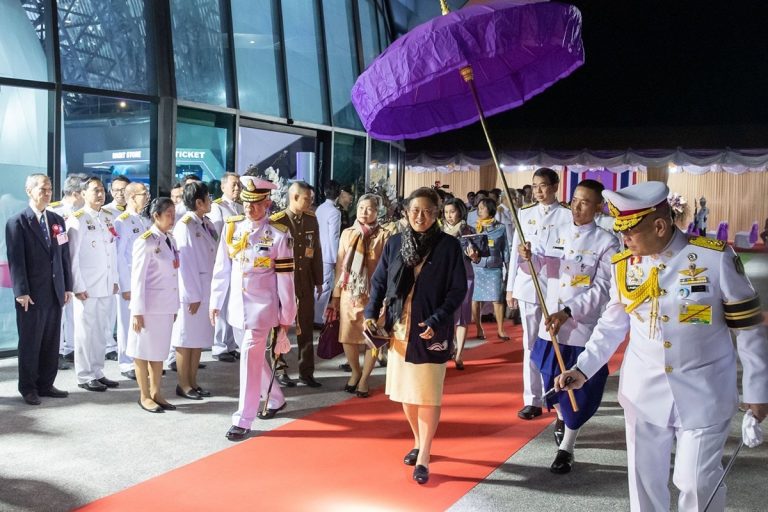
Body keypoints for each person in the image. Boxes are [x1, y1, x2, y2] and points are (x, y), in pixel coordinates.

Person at [556, 181, 768, 511]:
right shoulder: (624, 265)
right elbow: (613, 324)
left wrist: (758, 390)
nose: (622, 240)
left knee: (696, 482)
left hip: (705, 390)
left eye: (629, 232)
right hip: (644, 392)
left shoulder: (714, 258)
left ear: (659, 225)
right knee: (645, 485)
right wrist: (583, 367)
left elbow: (749, 328)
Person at [364, 187, 467, 485]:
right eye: (415, 211)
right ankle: (417, 440)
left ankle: (424, 455)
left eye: (428, 212)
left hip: (431, 330)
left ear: (437, 215)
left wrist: (438, 318)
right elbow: (380, 280)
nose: (420, 217)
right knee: (406, 394)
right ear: (406, 212)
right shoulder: (395, 242)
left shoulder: (448, 247)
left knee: (428, 394)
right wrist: (372, 312)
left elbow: (457, 290)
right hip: (399, 327)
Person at [522, 179, 620, 473]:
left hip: (579, 324)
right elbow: (537, 269)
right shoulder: (556, 231)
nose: (577, 207)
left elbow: (602, 289)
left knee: (577, 385)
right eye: (574, 200)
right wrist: (528, 259)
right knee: (547, 369)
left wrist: (568, 311)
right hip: (549, 322)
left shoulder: (606, 242)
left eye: (585, 202)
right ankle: (562, 415)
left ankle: (567, 447)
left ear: (598, 207)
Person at [210, 175, 297, 441]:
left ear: (267, 203)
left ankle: (244, 418)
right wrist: (215, 302)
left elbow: (286, 281)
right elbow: (222, 268)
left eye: (256, 203)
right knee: (255, 360)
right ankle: (276, 399)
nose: (250, 208)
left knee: (248, 358)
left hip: (261, 309)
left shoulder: (279, 235)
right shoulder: (232, 228)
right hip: (236, 307)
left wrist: (286, 317)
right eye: (247, 203)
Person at [506, 168, 572, 420]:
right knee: (530, 344)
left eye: (543, 186)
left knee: (556, 344)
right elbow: (515, 252)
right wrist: (510, 287)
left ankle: (555, 394)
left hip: (555, 287)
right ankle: (531, 399)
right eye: (535, 186)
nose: (539, 191)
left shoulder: (566, 215)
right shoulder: (524, 213)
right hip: (528, 285)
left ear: (555, 186)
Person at [6, 174, 73, 405]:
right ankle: (29, 387)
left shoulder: (57, 220)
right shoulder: (18, 222)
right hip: (31, 295)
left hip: (55, 291)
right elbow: (16, 260)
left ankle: (46, 383)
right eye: (42, 189)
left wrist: (67, 287)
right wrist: (21, 291)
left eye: (49, 189)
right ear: (29, 191)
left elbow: (64, 255)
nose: (47, 193)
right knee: (31, 342)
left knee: (51, 340)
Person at [326, 194, 390, 398]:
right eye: (361, 207)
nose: (364, 212)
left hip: (375, 294)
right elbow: (339, 265)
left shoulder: (385, 235)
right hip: (350, 293)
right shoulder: (348, 233)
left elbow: (388, 268)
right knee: (348, 336)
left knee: (373, 336)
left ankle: (365, 379)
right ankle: (355, 371)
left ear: (377, 211)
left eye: (369, 208)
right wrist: (335, 296)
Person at [66, 177, 120, 392]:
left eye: (102, 190)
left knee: (101, 331)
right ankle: (85, 374)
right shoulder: (77, 219)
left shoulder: (108, 217)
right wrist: (78, 286)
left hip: (105, 284)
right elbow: (73, 257)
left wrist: (115, 279)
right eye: (95, 190)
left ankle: (97, 371)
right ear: (83, 193)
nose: (100, 194)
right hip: (87, 287)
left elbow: (112, 252)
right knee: (85, 333)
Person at [127, 198, 180, 413]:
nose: (172, 218)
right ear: (156, 216)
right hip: (148, 307)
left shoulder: (170, 239)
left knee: (159, 352)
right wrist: (137, 311)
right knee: (142, 352)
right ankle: (144, 395)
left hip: (165, 306)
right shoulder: (145, 241)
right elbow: (137, 279)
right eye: (168, 214)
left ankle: (157, 392)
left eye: (173, 213)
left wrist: (174, 306)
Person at [269, 181, 323, 388]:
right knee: (279, 327)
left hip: (305, 281)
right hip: (282, 283)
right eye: (307, 199)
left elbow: (315, 250)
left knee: (306, 327)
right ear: (294, 197)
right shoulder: (277, 221)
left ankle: (306, 371)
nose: (310, 202)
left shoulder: (311, 220)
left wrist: (318, 280)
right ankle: (280, 368)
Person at [171, 182, 217, 399]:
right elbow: (185, 264)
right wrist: (192, 295)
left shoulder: (204, 223)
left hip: (205, 289)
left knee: (197, 339)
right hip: (191, 292)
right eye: (208, 197)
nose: (210, 201)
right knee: (185, 339)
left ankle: (193, 381)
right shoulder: (185, 226)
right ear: (199, 202)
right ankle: (183, 384)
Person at [48, 173, 87, 370]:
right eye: (83, 192)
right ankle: (57, 352)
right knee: (60, 313)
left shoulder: (83, 212)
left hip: (75, 266)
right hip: (58, 268)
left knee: (73, 311)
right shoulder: (54, 210)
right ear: (75, 193)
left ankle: (71, 348)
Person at [113, 182, 151, 379]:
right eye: (143, 194)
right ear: (131, 197)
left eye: (147, 193)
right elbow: (119, 256)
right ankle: (126, 363)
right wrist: (124, 285)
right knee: (127, 323)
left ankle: (140, 359)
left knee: (142, 323)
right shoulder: (122, 221)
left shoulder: (144, 220)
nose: (147, 196)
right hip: (130, 279)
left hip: (146, 280)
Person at [206, 172, 243, 363]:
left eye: (238, 185)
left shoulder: (240, 207)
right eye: (233, 185)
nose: (237, 188)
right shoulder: (217, 207)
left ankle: (230, 343)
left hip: (238, 261)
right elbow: (215, 235)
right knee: (221, 302)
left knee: (233, 302)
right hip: (223, 259)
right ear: (223, 187)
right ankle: (219, 346)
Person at [441, 197, 479, 370]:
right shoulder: (438, 231)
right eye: (446, 212)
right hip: (442, 277)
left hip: (465, 276)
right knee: (446, 314)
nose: (449, 215)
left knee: (462, 315)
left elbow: (478, 257)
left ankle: (459, 354)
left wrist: (474, 257)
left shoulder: (468, 230)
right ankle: (449, 346)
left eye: (452, 211)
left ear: (460, 212)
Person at [471, 198, 510, 340]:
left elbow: (505, 249)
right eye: (478, 208)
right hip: (477, 267)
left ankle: (500, 329)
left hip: (494, 268)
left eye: (482, 208)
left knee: (497, 299)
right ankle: (479, 328)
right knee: (475, 299)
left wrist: (508, 266)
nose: (479, 211)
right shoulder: (473, 227)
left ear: (491, 209)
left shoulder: (500, 228)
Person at [314, 180, 343, 327]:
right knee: (324, 287)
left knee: (318, 286)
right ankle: (318, 318)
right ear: (339, 194)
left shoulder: (320, 208)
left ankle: (315, 316)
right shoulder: (335, 212)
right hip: (327, 254)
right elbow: (334, 237)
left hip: (318, 252)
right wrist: (336, 258)